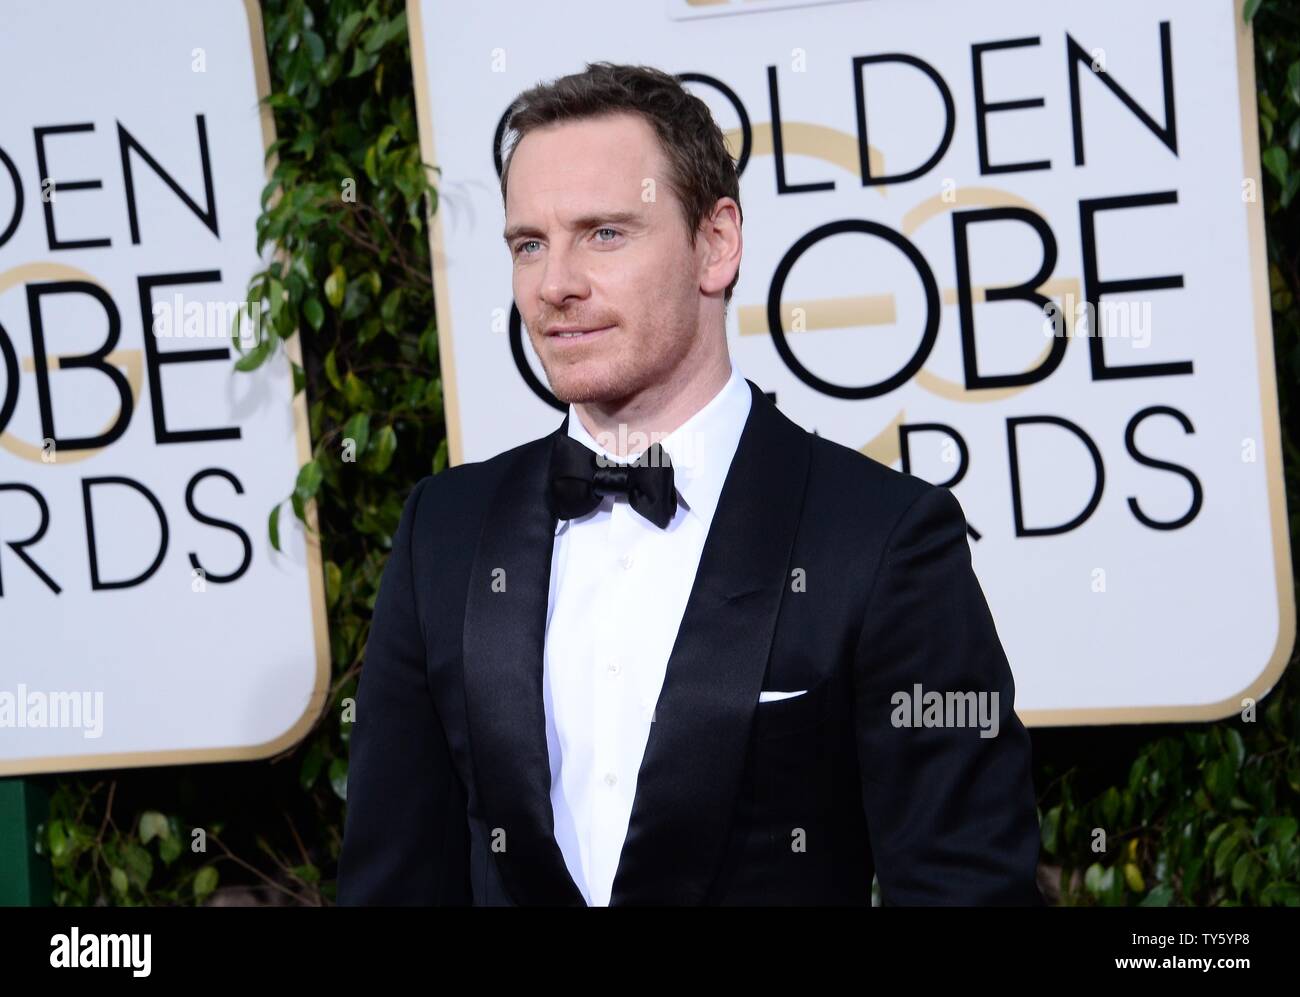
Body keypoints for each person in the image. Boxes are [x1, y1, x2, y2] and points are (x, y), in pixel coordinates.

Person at [337, 61, 1043, 906]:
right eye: (530, 243)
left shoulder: (882, 539)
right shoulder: (442, 532)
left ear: (717, 244)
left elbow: (966, 890)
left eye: (604, 233)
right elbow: (394, 883)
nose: (555, 284)